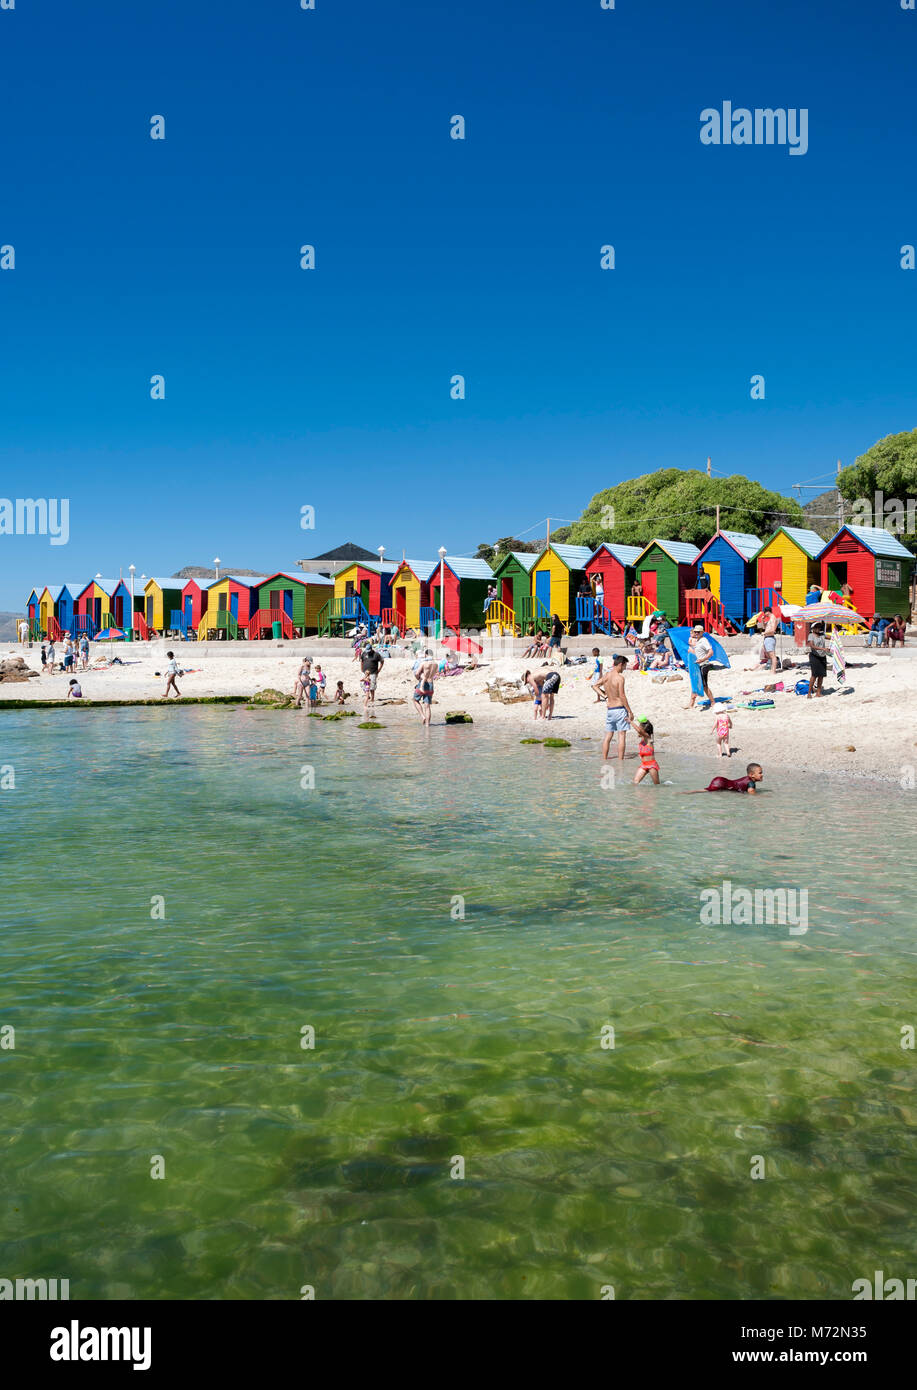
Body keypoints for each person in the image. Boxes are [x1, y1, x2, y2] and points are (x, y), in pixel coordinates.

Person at [600, 655, 633, 762]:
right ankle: (620, 761)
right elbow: (622, 696)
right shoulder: (620, 678)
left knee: (608, 735)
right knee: (621, 735)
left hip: (610, 710)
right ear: (620, 664)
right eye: (624, 666)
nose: (624, 668)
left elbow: (594, 685)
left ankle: (604, 759)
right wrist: (629, 711)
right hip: (619, 709)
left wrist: (604, 696)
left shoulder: (606, 676)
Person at [683, 763, 764, 794]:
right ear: (751, 775)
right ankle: (687, 792)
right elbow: (751, 794)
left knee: (706, 790)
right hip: (721, 783)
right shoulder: (751, 783)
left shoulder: (748, 779)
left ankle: (687, 792)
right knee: (705, 791)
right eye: (760, 773)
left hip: (721, 780)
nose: (762, 775)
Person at [685, 626, 714, 708]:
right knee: (694, 683)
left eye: (698, 632)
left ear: (702, 632)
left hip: (704, 665)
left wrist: (702, 659)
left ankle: (713, 702)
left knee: (704, 686)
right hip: (698, 665)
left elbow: (711, 652)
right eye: (695, 632)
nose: (696, 633)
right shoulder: (698, 641)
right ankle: (691, 704)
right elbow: (698, 653)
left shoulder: (704, 640)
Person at [631, 717, 659, 785]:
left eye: (640, 727)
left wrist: (630, 722)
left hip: (652, 765)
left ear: (644, 730)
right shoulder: (643, 739)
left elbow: (639, 731)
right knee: (635, 782)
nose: (638, 729)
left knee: (657, 785)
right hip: (644, 764)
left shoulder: (648, 738)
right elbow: (640, 731)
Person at [412, 649, 437, 725]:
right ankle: (427, 725)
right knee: (427, 706)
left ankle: (423, 716)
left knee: (415, 700)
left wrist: (419, 678)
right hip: (431, 684)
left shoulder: (424, 663)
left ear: (426, 655)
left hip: (423, 684)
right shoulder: (436, 664)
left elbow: (417, 673)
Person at [360, 643, 384, 709]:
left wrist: (379, 670)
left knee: (372, 686)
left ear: (371, 649)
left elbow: (382, 661)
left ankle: (372, 698)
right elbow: (362, 660)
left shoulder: (376, 654)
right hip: (365, 672)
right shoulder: (364, 653)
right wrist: (361, 668)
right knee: (362, 684)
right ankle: (367, 695)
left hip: (373, 672)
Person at [807, 622, 827, 698]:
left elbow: (832, 637)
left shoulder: (822, 635)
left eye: (819, 627)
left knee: (821, 675)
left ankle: (818, 692)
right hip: (814, 656)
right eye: (816, 627)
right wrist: (823, 648)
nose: (818, 628)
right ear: (813, 628)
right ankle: (809, 693)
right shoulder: (811, 635)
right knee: (814, 675)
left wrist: (835, 633)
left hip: (822, 656)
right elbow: (812, 646)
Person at [760, 607, 780, 675]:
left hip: (770, 638)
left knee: (772, 655)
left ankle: (773, 670)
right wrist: (762, 620)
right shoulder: (770, 619)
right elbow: (764, 627)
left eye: (765, 613)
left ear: (767, 612)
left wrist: (764, 633)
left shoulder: (773, 618)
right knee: (768, 655)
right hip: (767, 638)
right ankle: (772, 669)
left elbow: (772, 630)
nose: (765, 614)